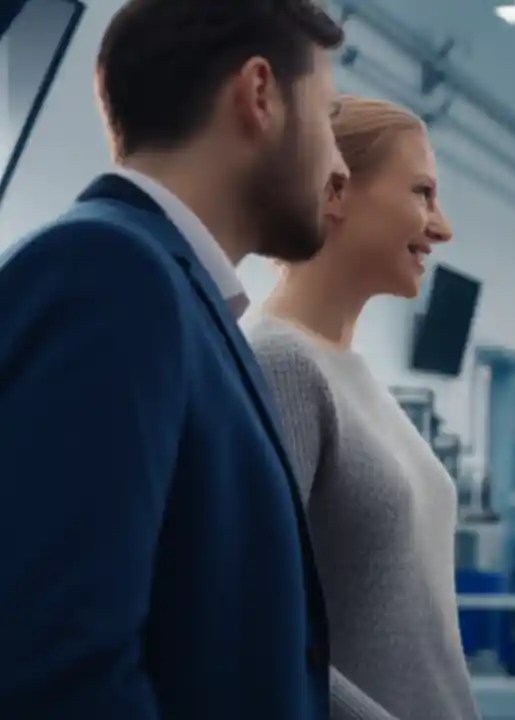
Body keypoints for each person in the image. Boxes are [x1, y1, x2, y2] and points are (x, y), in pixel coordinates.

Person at [0, 1, 343, 717]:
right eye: (330, 115)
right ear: (259, 94)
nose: (338, 165)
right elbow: (58, 666)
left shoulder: (176, 296)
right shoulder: (109, 272)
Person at [243, 95, 477, 720]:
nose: (442, 227)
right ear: (335, 192)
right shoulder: (280, 363)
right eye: (422, 193)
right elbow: (257, 631)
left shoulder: (349, 370)